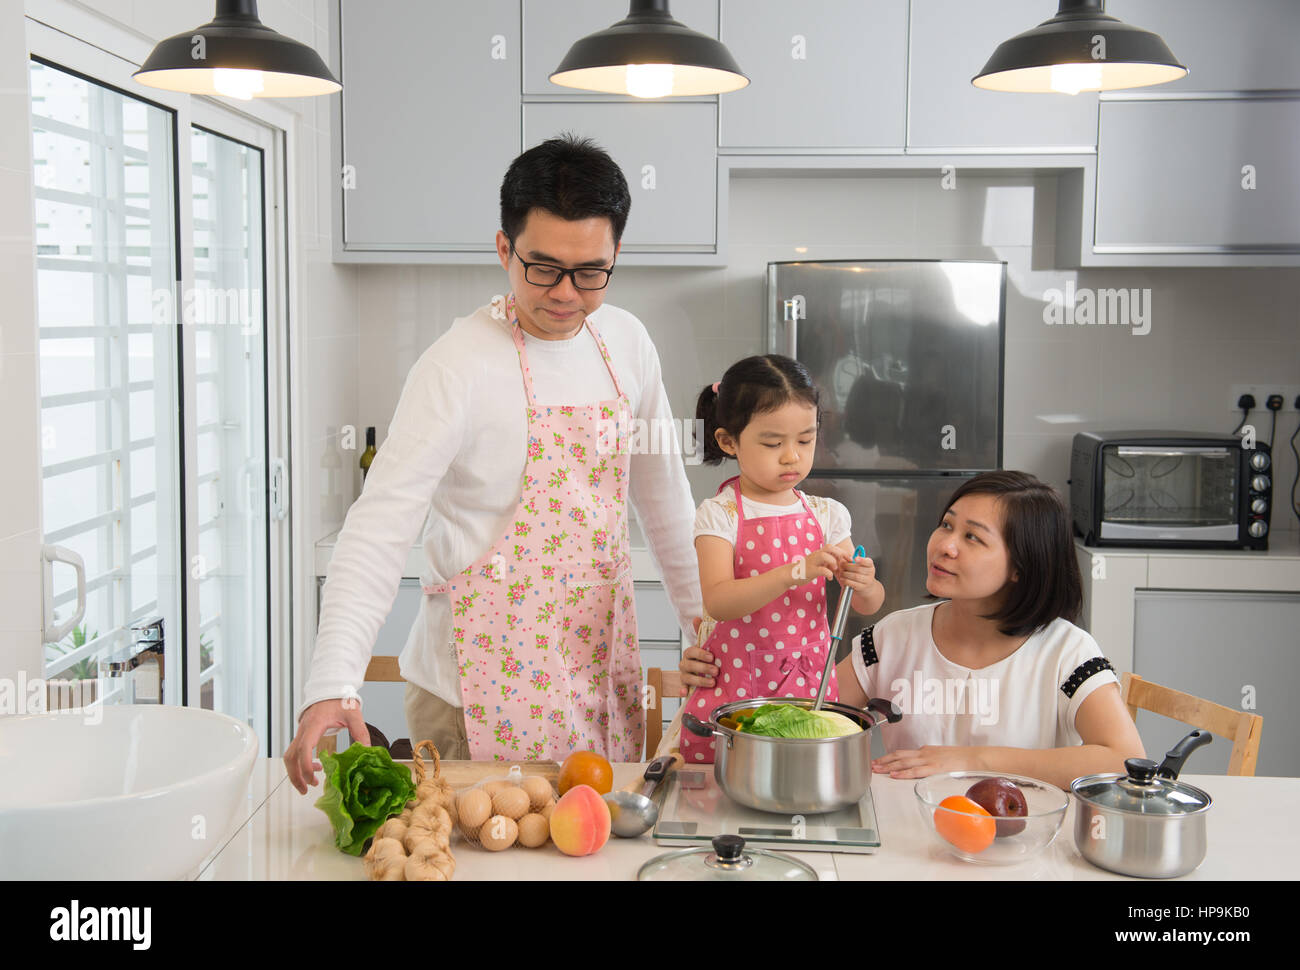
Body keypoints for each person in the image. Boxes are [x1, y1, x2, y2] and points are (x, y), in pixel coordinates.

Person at [283, 135, 702, 792]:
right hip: (470, 700)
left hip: (596, 683)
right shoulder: (457, 366)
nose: (566, 293)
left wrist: (706, 626)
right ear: (504, 249)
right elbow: (380, 526)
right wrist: (332, 680)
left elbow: (666, 501)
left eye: (590, 271)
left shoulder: (627, 344)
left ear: (617, 254)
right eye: (543, 267)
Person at [835, 470, 1145, 791]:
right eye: (946, 525)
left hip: (1024, 834)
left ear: (1020, 568)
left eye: (973, 537)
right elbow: (809, 716)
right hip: (908, 827)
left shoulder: (1068, 652)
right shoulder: (892, 636)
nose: (945, 545)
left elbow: (1122, 759)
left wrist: (974, 761)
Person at [674, 355, 886, 764]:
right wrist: (795, 572)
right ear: (728, 441)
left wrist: (865, 582)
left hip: (806, 686)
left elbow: (864, 605)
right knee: (731, 779)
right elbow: (719, 600)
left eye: (805, 440)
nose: (792, 456)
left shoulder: (827, 514)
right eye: (773, 443)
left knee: (799, 774)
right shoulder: (720, 514)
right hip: (734, 688)